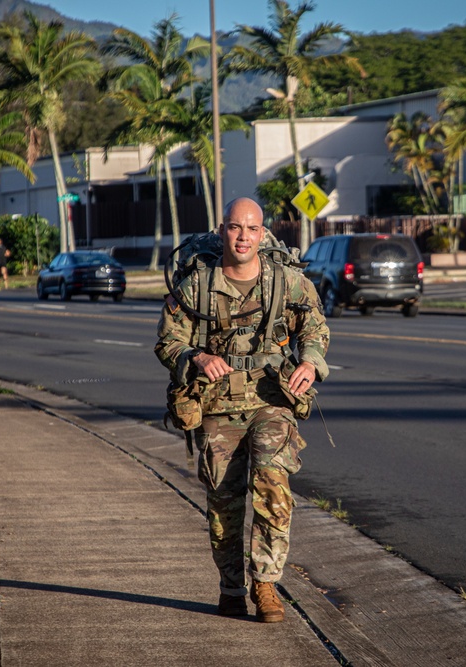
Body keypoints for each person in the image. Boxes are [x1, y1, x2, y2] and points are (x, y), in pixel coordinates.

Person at [155, 197, 330, 622]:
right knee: (224, 504)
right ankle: (231, 586)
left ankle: (267, 584)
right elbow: (166, 341)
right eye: (236, 228)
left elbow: (316, 328)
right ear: (221, 230)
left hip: (272, 399)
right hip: (218, 405)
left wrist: (310, 360)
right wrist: (196, 357)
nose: (244, 237)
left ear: (263, 232)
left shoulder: (287, 282)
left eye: (252, 229)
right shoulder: (196, 286)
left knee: (273, 486)